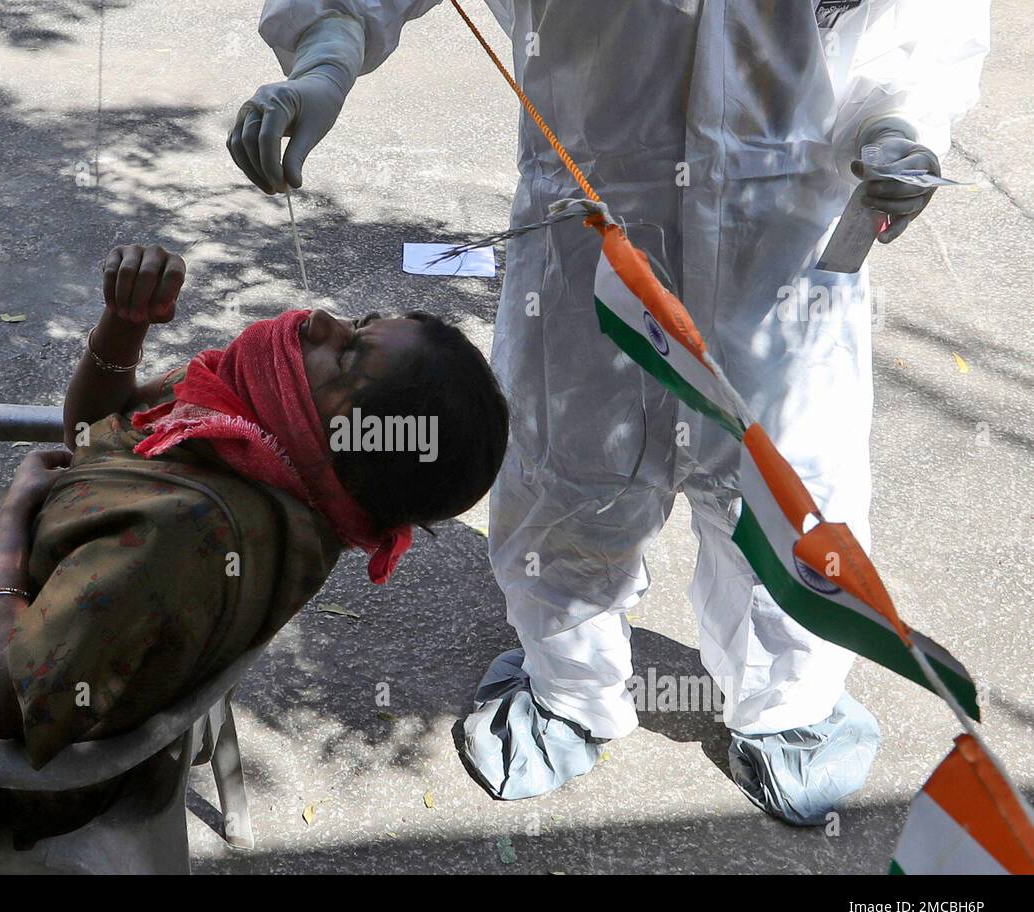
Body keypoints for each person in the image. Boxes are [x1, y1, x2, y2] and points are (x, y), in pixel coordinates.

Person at [228, 0, 990, 822]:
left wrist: (898, 123)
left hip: (787, 243)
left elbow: (911, 24)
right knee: (571, 481)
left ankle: (790, 708)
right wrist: (327, 54)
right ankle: (570, 690)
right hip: (588, 235)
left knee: (789, 495)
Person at [0, 243, 509, 872]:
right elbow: (91, 438)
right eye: (360, 323)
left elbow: (6, 696)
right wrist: (122, 325)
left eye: (346, 361)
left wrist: (11, 534)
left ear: (358, 448)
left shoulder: (188, 538)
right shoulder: (257, 441)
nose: (320, 323)